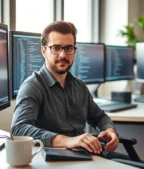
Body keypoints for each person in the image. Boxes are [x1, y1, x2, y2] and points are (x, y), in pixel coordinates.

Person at [11, 21, 131, 160]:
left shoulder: (78, 85)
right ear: (44, 51)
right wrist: (67, 141)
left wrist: (109, 130)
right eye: (56, 48)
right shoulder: (33, 86)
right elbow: (18, 129)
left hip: (87, 155)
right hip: (55, 159)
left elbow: (99, 117)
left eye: (68, 48)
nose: (63, 54)